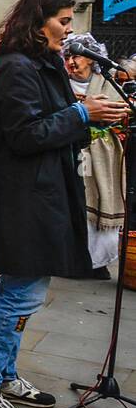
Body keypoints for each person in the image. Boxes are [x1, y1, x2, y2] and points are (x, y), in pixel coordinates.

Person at [0, 0, 131, 408]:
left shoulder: (39, 65)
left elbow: (48, 125)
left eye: (71, 22)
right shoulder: (16, 68)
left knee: (22, 294)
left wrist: (89, 116)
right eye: (62, 21)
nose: (69, 30)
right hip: (23, 202)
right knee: (20, 295)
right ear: (38, 22)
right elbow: (24, 134)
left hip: (41, 196)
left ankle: (1, 374)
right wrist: (81, 115)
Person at [62, 34, 127, 280]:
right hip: (72, 149)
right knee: (75, 201)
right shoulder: (62, 84)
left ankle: (97, 262)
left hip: (103, 153)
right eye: (67, 56)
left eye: (76, 56)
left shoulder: (107, 82)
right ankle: (73, 258)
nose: (71, 61)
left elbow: (119, 110)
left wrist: (93, 112)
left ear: (91, 59)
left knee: (102, 198)